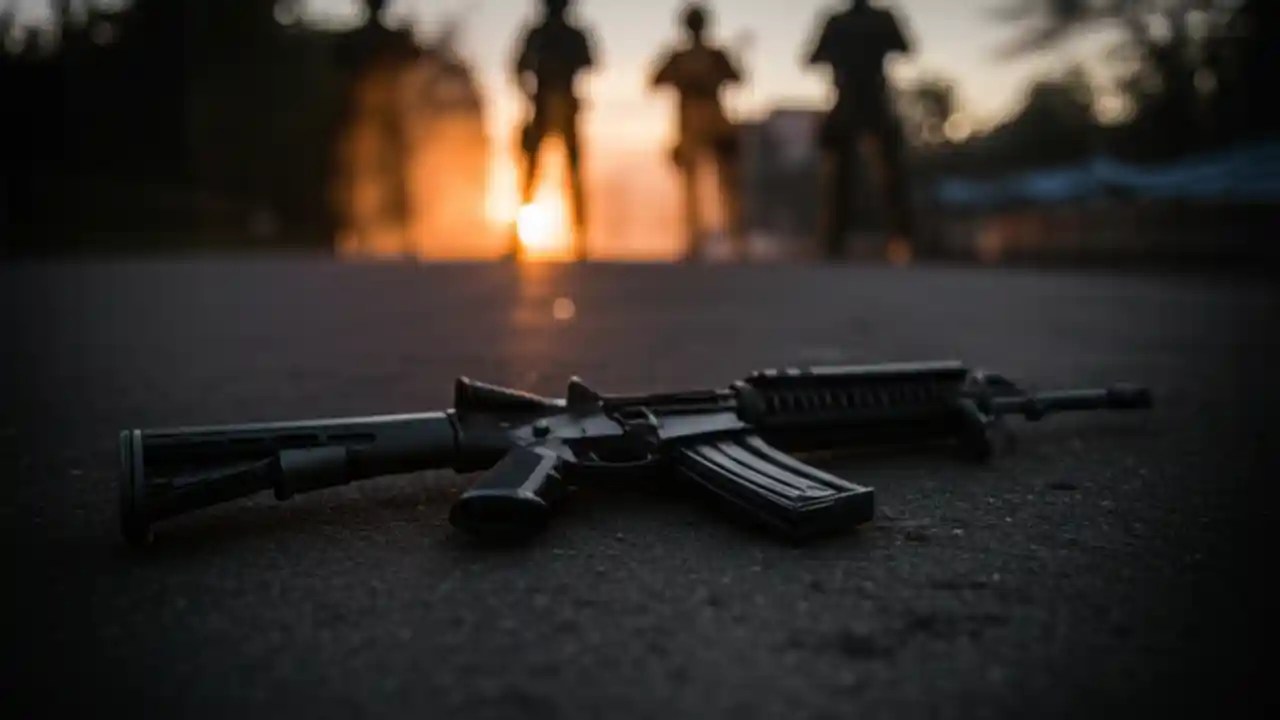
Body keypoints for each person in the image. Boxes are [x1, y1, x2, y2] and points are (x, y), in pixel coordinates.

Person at [808, 0, 914, 260]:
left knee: (856, 175)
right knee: (880, 175)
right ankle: (897, 238)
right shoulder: (876, 19)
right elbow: (904, 46)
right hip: (864, 99)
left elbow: (814, 57)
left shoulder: (839, 23)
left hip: (858, 99)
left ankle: (838, 242)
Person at [652, 4, 746, 262]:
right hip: (691, 127)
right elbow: (656, 80)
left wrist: (711, 78)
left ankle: (737, 241)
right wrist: (687, 81)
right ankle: (695, 241)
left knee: (727, 185)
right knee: (692, 188)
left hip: (715, 124)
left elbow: (736, 77)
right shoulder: (680, 57)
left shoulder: (715, 55)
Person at [512, 0, 596, 261]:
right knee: (532, 174)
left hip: (561, 107)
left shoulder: (562, 36)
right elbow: (520, 67)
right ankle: (518, 240)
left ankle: (580, 239)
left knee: (570, 174)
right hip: (543, 106)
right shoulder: (539, 35)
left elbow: (588, 62)